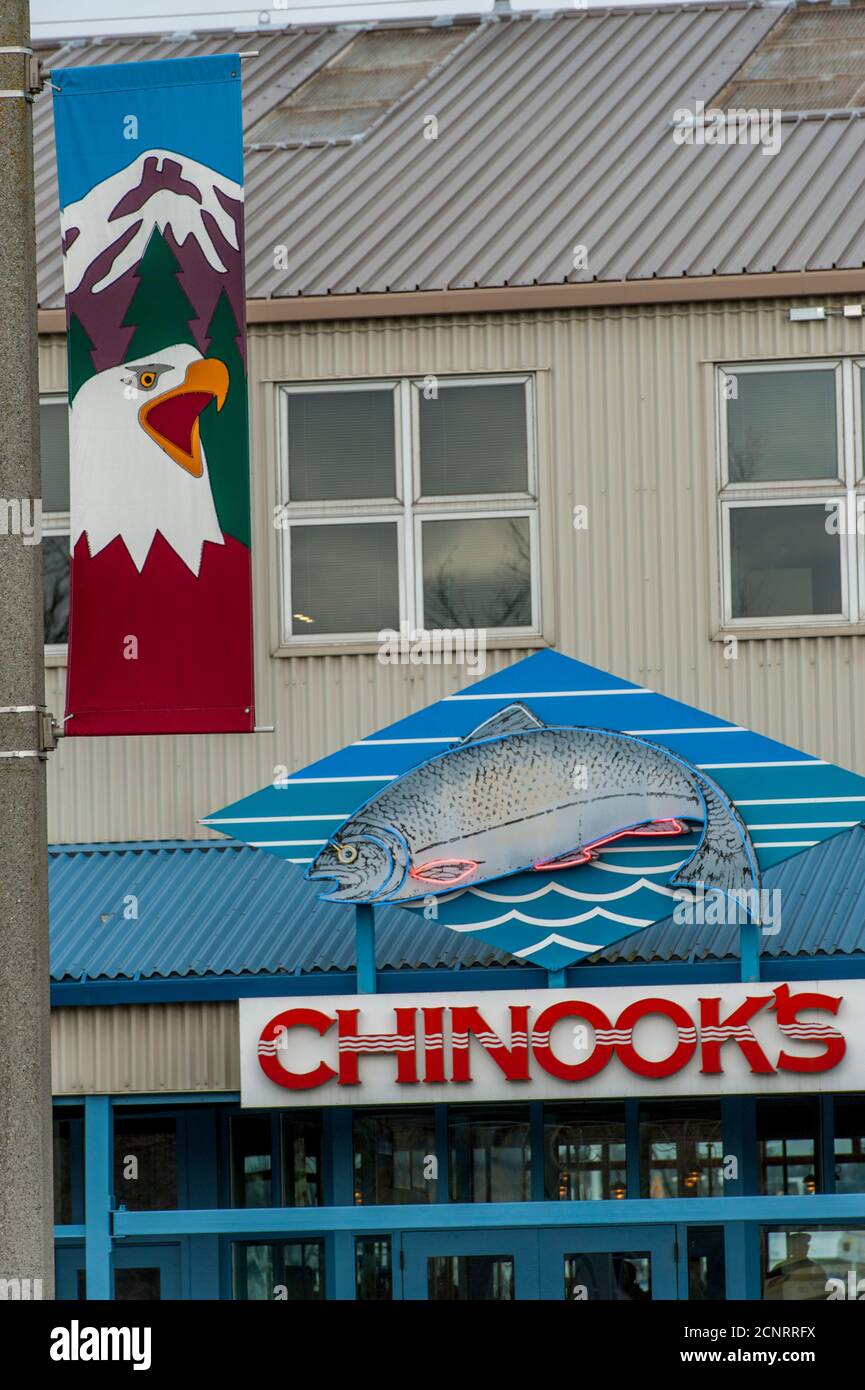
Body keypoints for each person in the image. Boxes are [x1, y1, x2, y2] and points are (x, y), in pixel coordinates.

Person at [764, 1231, 828, 1301]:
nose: (805, 1249)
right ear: (791, 1249)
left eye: (806, 1246)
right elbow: (770, 1290)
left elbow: (824, 1291)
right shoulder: (780, 1267)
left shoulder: (816, 1268)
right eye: (799, 1247)